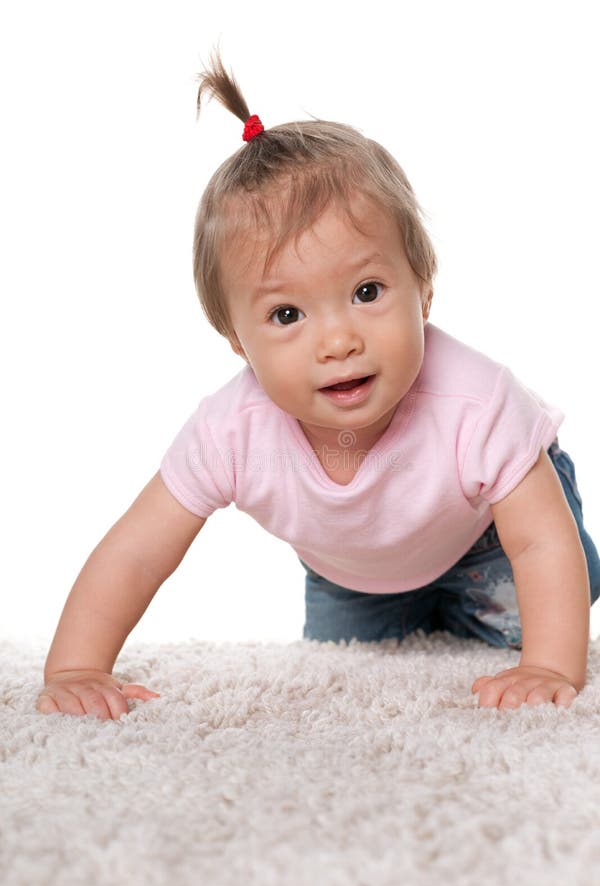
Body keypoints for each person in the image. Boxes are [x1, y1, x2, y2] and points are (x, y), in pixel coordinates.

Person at [37, 50, 600, 720]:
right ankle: (419, 605)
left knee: (529, 622)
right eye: (287, 315)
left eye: (366, 292)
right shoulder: (231, 431)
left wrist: (546, 664)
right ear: (238, 343)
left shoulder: (476, 403)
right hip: (355, 571)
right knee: (353, 669)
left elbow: (539, 541)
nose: (337, 342)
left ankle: (478, 611)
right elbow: (134, 553)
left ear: (422, 291)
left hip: (488, 535)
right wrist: (75, 667)